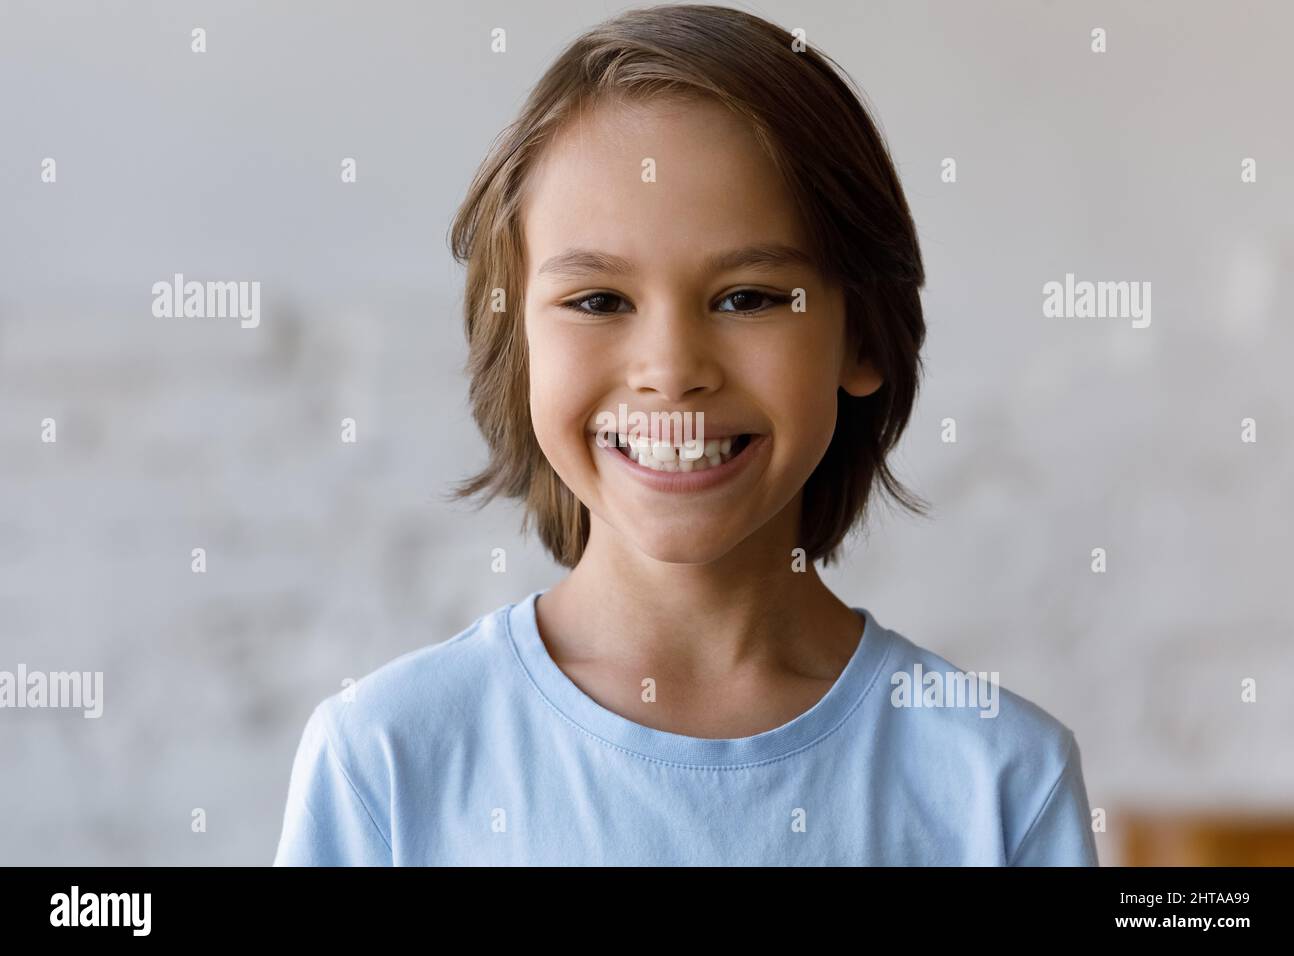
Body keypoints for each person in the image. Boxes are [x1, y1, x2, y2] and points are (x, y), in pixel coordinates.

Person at [273, 4, 1099, 866]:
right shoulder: (384, 766)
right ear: (517, 345)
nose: (670, 370)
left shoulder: (1000, 782)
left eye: (748, 297)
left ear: (860, 336)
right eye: (598, 302)